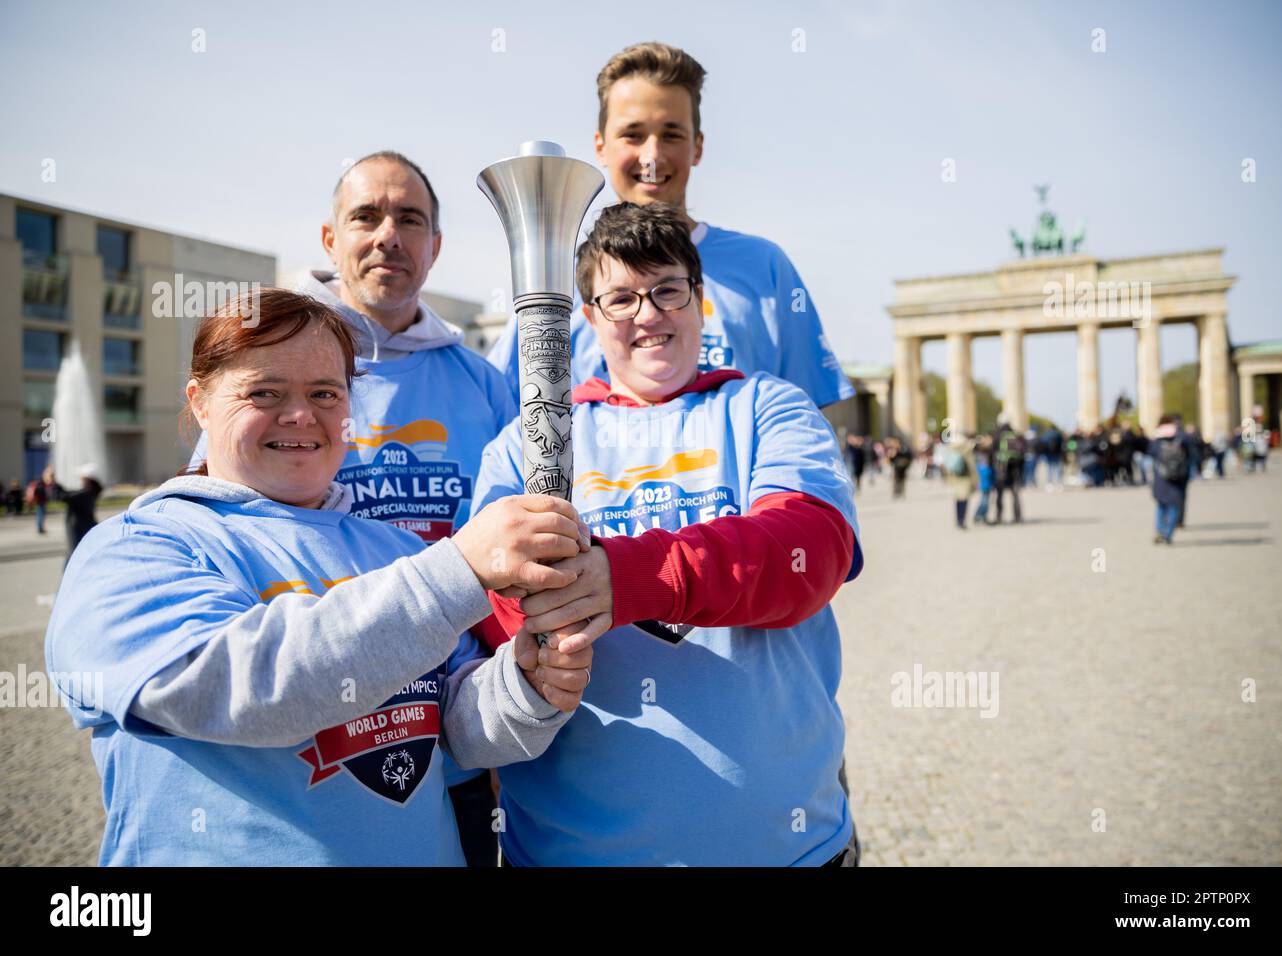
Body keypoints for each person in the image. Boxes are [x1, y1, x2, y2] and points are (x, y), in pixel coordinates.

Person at [46, 289, 594, 866]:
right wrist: (456, 568)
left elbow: (453, 732)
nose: (301, 415)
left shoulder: (396, 550)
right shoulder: (134, 548)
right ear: (200, 403)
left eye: (325, 393)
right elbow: (247, 690)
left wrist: (525, 688)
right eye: (264, 392)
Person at [472, 202, 863, 866]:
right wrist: (529, 606)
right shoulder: (523, 447)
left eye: (667, 291)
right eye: (620, 298)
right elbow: (489, 609)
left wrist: (619, 579)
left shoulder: (769, 407)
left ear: (700, 300)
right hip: (576, 853)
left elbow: (808, 557)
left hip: (786, 848)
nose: (648, 315)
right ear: (590, 318)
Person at [190, 151, 517, 866]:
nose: (388, 235)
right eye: (365, 216)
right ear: (330, 238)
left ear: (435, 247)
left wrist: (501, 709)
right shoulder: (267, 359)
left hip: (445, 727)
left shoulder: (485, 386)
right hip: (301, 724)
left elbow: (514, 552)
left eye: (411, 219)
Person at [489, 41, 854, 412]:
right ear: (601, 146)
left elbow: (809, 413)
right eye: (633, 134)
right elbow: (499, 403)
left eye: (672, 134)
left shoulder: (765, 267)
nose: (652, 156)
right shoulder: (556, 281)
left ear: (697, 146)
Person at [1148, 413, 1193, 544]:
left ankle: (1160, 530)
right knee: (1174, 506)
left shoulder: (1158, 438)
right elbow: (1191, 452)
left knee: (1161, 505)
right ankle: (1168, 534)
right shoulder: (1182, 437)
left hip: (1162, 476)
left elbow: (1151, 452)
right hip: (1179, 476)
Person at [989, 415, 1024, 524]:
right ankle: (1017, 517)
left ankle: (999, 516)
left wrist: (991, 466)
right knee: (1015, 494)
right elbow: (1023, 453)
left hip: (1001, 468)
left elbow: (992, 451)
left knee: (999, 494)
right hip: (1015, 468)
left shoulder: (998, 434)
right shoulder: (1016, 434)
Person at [943, 433, 977, 529]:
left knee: (957, 499)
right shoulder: (966, 449)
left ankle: (958, 520)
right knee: (964, 499)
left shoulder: (949, 449)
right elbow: (971, 466)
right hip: (965, 478)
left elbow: (946, 465)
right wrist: (975, 479)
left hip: (954, 478)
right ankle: (962, 520)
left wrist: (947, 478)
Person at [972, 436, 994, 524]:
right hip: (985, 479)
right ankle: (980, 515)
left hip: (984, 478)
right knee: (985, 499)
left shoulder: (979, 455)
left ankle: (981, 515)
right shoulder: (984, 456)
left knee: (985, 498)